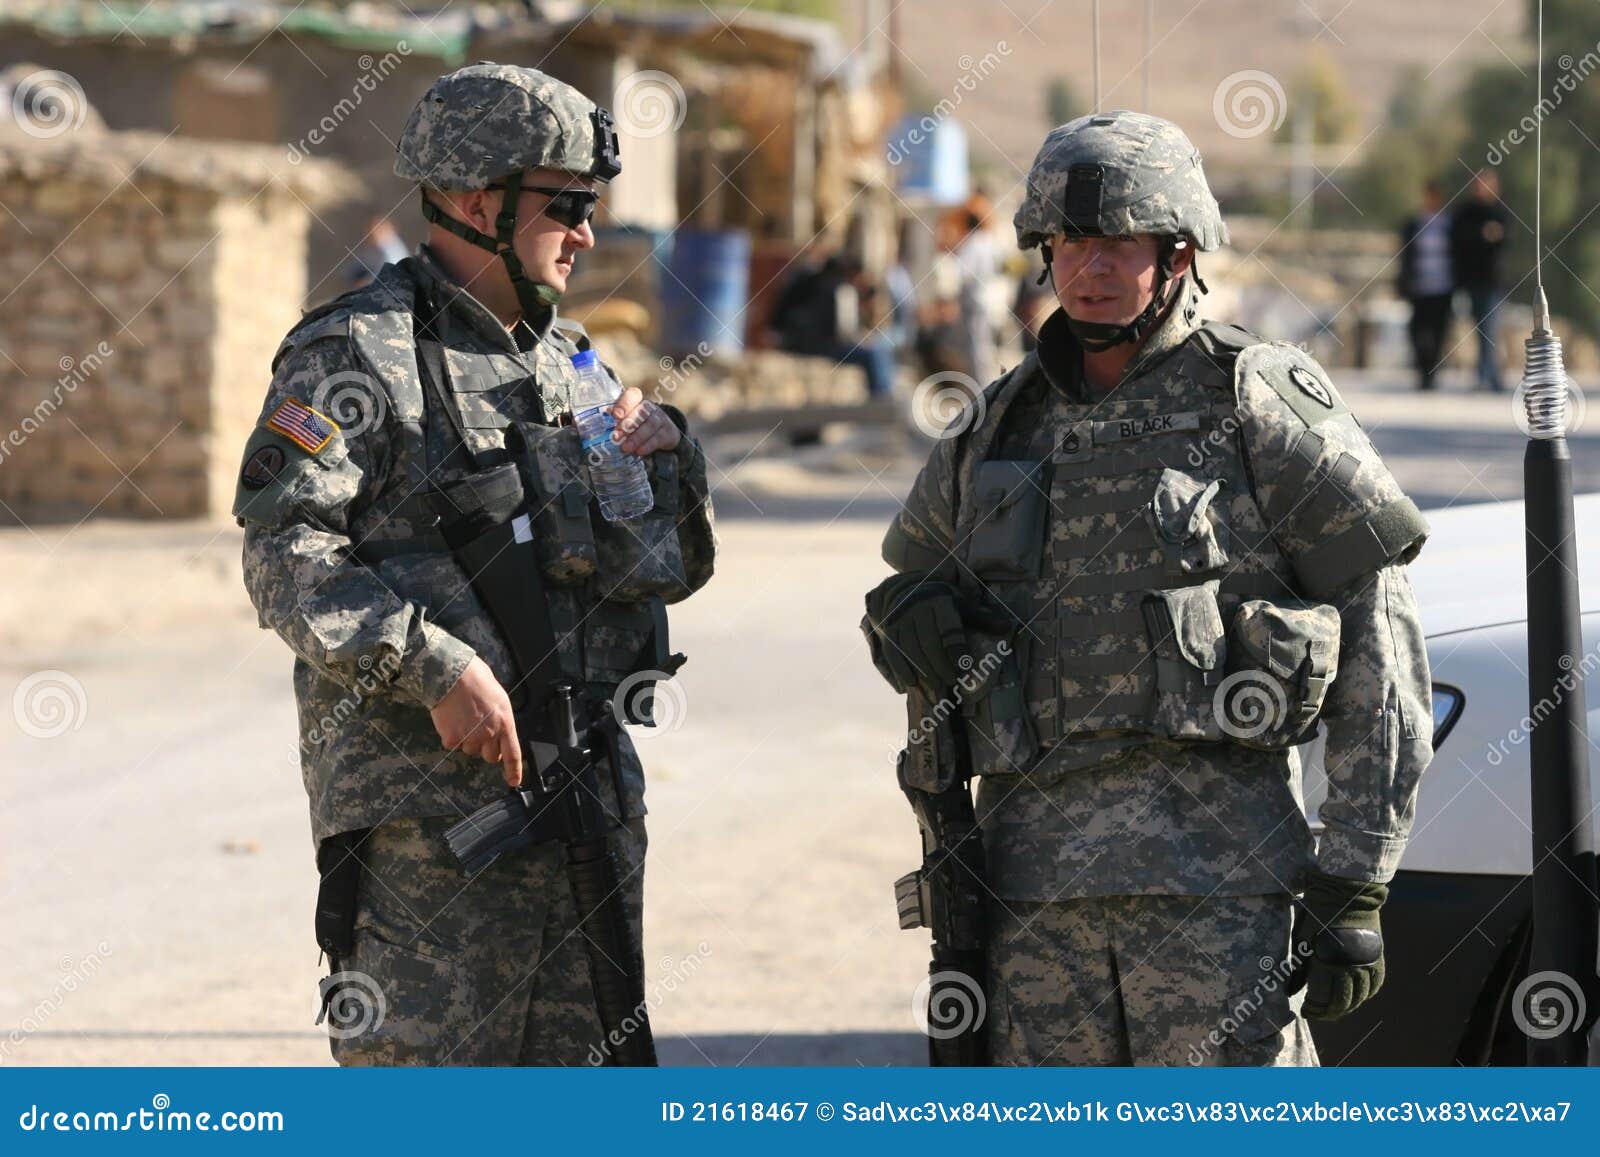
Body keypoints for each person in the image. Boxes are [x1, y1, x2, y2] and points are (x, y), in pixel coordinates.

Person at [863, 111, 1434, 1066]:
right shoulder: (999, 424)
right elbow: (912, 601)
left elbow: (1379, 637)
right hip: (1032, 899)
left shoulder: (1255, 400)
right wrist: (902, 623)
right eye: (1072, 242)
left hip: (1219, 897)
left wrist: (1355, 882)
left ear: (1179, 254)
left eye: (1119, 243)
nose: (1090, 268)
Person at [232, 63, 716, 1065]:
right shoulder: (352, 354)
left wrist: (669, 462)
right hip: (431, 830)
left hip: (578, 805)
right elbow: (284, 552)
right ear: (471, 199)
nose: (587, 232)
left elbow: (651, 571)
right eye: (567, 205)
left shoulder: (569, 362)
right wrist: (432, 666)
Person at [770, 251, 896, 398]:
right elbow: (845, 332)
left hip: (798, 343)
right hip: (823, 346)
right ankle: (881, 397)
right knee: (876, 353)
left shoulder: (807, 282)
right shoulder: (842, 290)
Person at [1452, 168, 1512, 392]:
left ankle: (1488, 375)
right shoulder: (1465, 212)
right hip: (1471, 280)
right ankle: (1489, 375)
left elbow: (1504, 238)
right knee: (1482, 327)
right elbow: (1459, 239)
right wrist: (1482, 234)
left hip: (1492, 280)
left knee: (1490, 327)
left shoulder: (1499, 210)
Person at [1397, 180, 1455, 391]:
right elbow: (1404, 256)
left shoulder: (1449, 224)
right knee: (1418, 331)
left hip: (1443, 287)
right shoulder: (1414, 223)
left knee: (1439, 331)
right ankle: (1422, 370)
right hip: (1419, 288)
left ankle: (1432, 373)